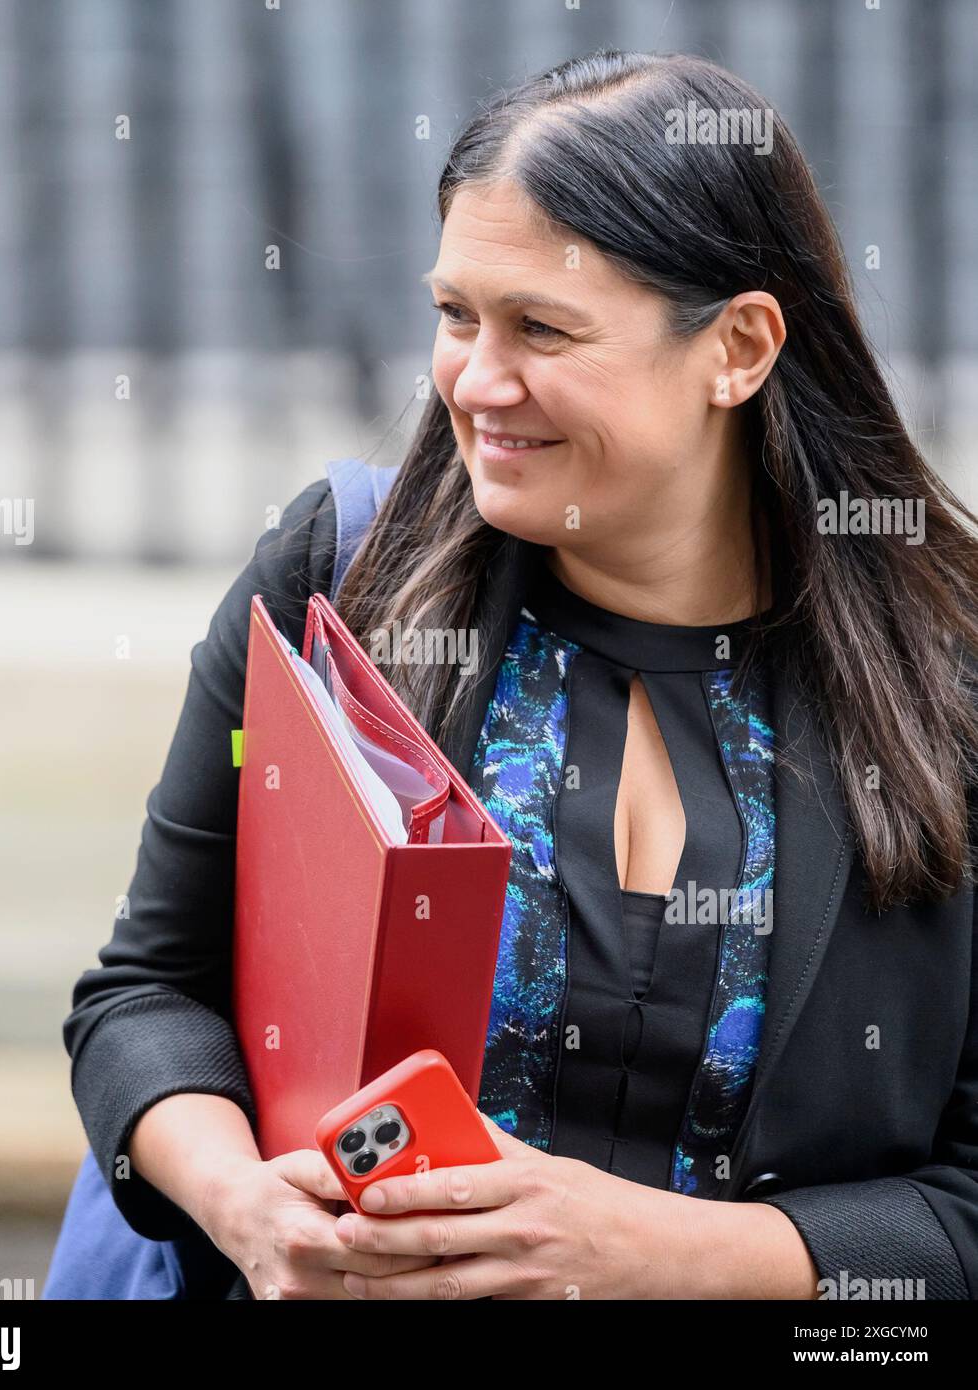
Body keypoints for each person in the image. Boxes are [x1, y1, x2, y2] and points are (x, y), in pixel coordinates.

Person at [60, 49, 978, 1300]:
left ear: (739, 347)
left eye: (541, 328)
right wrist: (245, 1209)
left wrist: (654, 1255)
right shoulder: (338, 584)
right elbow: (146, 995)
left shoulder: (947, 681)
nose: (473, 383)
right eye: (454, 316)